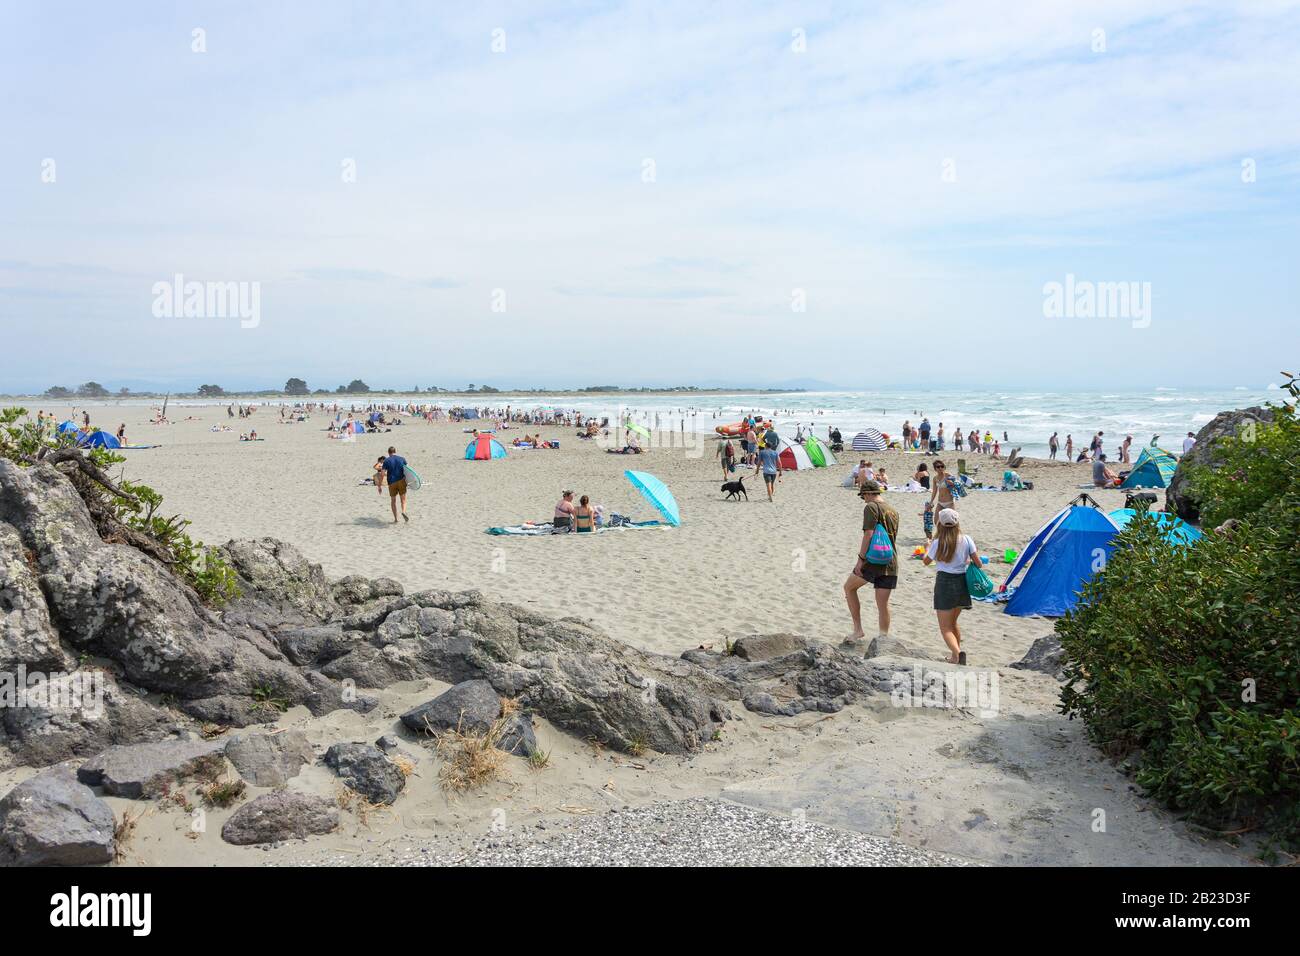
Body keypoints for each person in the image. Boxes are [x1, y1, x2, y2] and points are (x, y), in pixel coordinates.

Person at [842, 479, 898, 648]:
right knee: (883, 604)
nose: (863, 500)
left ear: (868, 493)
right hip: (890, 560)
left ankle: (858, 629)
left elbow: (869, 534)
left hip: (873, 560)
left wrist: (861, 559)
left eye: (863, 496)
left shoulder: (871, 507)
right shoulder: (893, 510)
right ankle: (883, 638)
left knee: (849, 588)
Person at [923, 508, 979, 664]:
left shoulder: (937, 542)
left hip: (944, 583)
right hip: (961, 583)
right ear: (957, 522)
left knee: (945, 628)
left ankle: (958, 653)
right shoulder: (967, 539)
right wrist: (966, 560)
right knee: (953, 623)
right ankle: (955, 657)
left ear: (940, 523)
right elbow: (979, 563)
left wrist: (927, 549)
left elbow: (926, 562)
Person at [380, 446, 409, 523]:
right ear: (395, 451)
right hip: (401, 481)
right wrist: (409, 481)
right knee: (403, 499)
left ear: (388, 452)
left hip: (392, 482)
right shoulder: (402, 459)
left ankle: (396, 519)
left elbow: (382, 474)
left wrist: (379, 485)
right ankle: (403, 511)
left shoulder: (386, 461)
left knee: (393, 501)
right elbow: (408, 470)